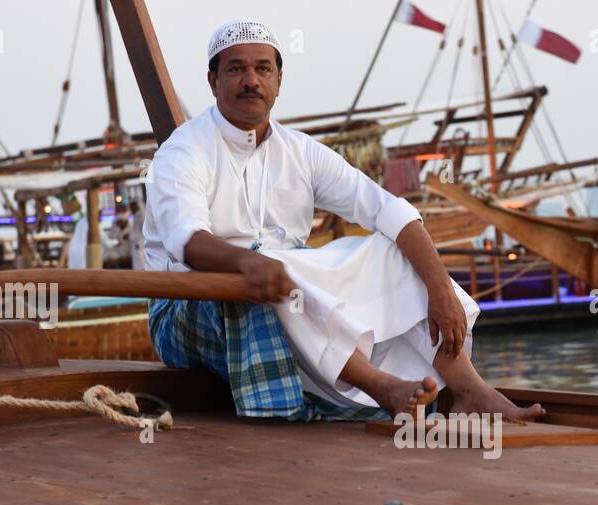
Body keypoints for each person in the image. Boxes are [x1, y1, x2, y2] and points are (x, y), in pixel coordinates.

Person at [142, 19, 544, 423]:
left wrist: (440, 289)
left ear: (279, 80)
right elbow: (188, 240)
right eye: (236, 69)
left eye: (263, 69)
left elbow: (389, 210)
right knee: (277, 273)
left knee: (388, 251)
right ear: (213, 81)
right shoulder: (185, 151)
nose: (251, 80)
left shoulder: (300, 151)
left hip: (283, 285)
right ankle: (380, 387)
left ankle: (470, 389)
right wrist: (251, 262)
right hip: (188, 305)